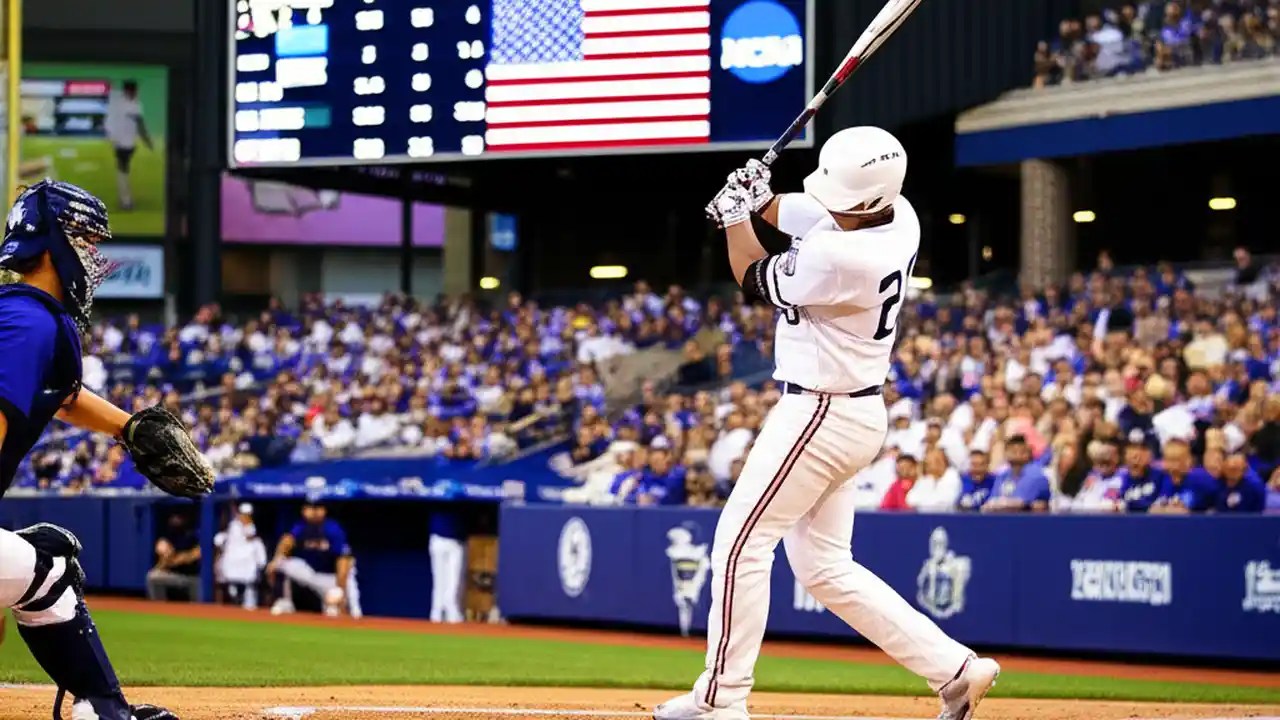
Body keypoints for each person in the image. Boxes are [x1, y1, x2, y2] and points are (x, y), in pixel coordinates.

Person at [656, 128, 999, 720]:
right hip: (855, 411)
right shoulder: (900, 213)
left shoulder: (841, 258)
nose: (831, 203)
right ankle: (956, 670)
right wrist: (760, 201)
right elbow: (814, 211)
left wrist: (737, 220)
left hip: (819, 411)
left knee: (740, 545)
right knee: (823, 567)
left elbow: (752, 276)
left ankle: (722, 698)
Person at [0, 180, 212, 720]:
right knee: (50, 568)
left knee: (17, 577)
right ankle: (103, 709)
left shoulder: (32, 317)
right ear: (51, 245)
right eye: (84, 239)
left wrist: (127, 428)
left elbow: (63, 395)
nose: (94, 255)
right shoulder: (28, 322)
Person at [268, 496, 363, 618]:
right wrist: (275, 561)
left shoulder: (333, 529)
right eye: (310, 508)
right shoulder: (301, 526)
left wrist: (340, 591)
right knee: (281, 564)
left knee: (348, 615)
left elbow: (343, 562)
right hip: (313, 574)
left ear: (324, 511)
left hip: (334, 578)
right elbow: (287, 541)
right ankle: (285, 601)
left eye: (317, 508)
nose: (313, 512)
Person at [103, 80, 153, 211]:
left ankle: (125, 199)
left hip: (122, 142)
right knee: (123, 169)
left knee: (123, 169)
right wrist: (147, 140)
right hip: (124, 143)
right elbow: (140, 124)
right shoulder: (132, 106)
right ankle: (126, 201)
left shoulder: (122, 103)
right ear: (131, 91)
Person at [214, 503, 268, 610]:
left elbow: (250, 534)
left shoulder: (251, 528)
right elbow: (219, 540)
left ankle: (249, 607)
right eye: (243, 514)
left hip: (246, 562)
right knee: (231, 588)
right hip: (233, 560)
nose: (245, 516)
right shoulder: (233, 525)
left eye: (247, 514)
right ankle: (232, 605)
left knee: (249, 587)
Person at [146, 514, 201, 602]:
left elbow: (193, 556)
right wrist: (166, 558)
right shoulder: (168, 537)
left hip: (192, 577)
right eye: (173, 517)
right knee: (152, 575)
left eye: (179, 517)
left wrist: (175, 559)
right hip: (175, 576)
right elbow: (162, 564)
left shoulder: (195, 536)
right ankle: (159, 608)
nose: (175, 520)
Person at [428, 510, 467, 623]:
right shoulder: (436, 494)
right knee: (439, 581)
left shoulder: (462, 497)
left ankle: (451, 613)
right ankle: (437, 614)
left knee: (454, 582)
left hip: (456, 541)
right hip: (438, 539)